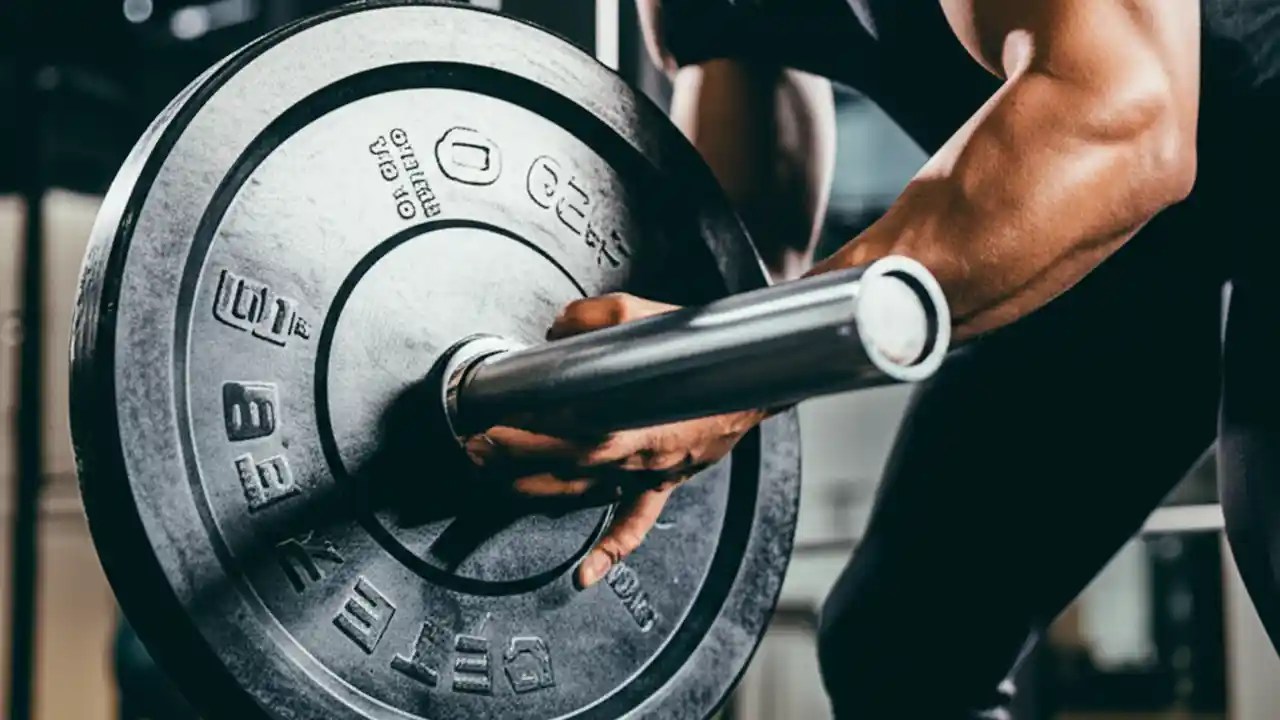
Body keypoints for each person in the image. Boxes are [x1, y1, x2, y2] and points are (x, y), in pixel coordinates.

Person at [465, 1, 1280, 717]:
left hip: (1169, 152)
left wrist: (737, 375)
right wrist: (653, 391)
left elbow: (1120, 113)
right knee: (904, 655)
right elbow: (749, 227)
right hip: (1107, 252)